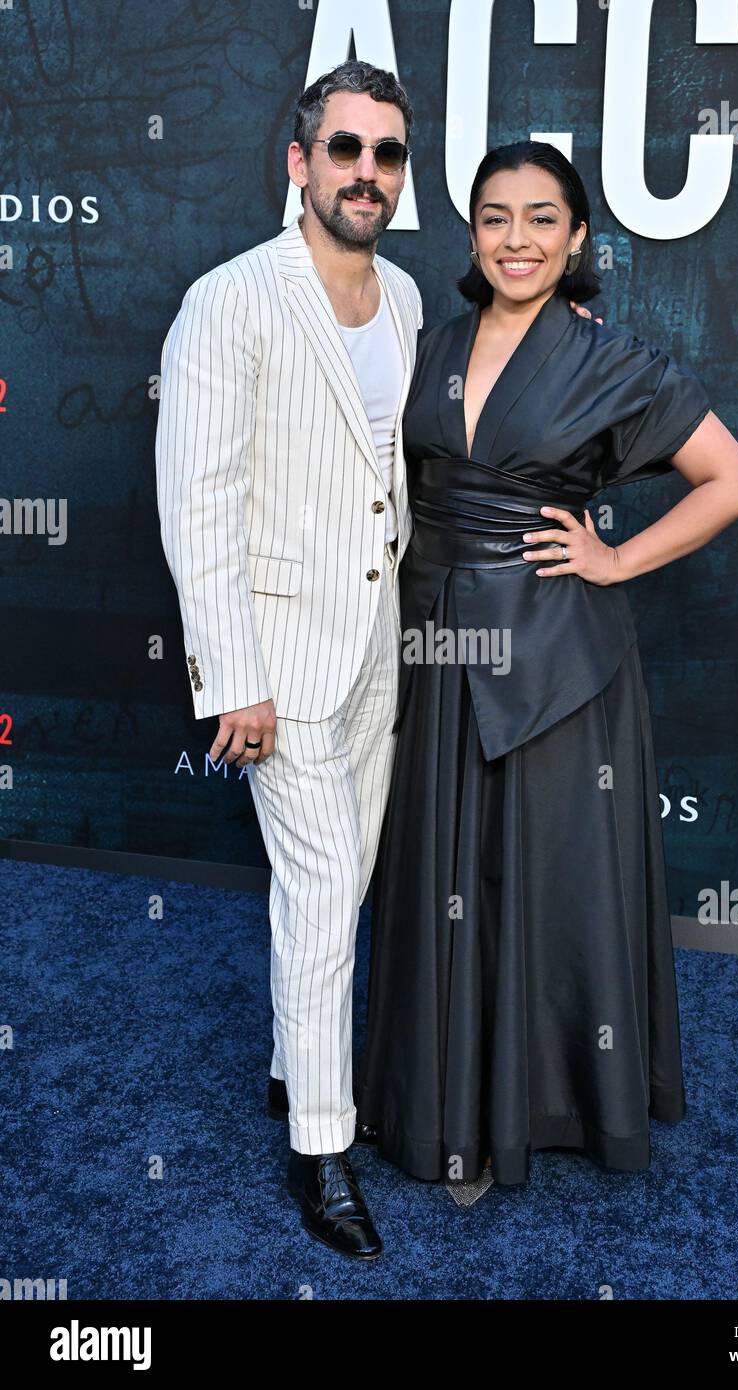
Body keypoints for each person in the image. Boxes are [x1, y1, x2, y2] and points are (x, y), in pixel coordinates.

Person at [355, 140, 738, 1189]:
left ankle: (541, 1107)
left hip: (553, 656)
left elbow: (732, 481)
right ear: (472, 233)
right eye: (495, 217)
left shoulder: (609, 357)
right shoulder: (426, 341)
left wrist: (615, 555)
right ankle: (444, 1104)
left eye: (542, 219)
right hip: (436, 644)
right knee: (447, 877)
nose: (517, 239)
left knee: (544, 881)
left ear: (577, 237)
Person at [154, 60, 423, 1260]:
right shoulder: (231, 300)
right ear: (298, 162)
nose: (366, 171)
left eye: (387, 154)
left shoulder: (409, 298)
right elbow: (196, 499)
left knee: (340, 889)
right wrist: (233, 678)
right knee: (321, 903)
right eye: (346, 149)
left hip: (376, 651)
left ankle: (283, 1063)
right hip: (280, 664)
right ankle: (324, 1148)